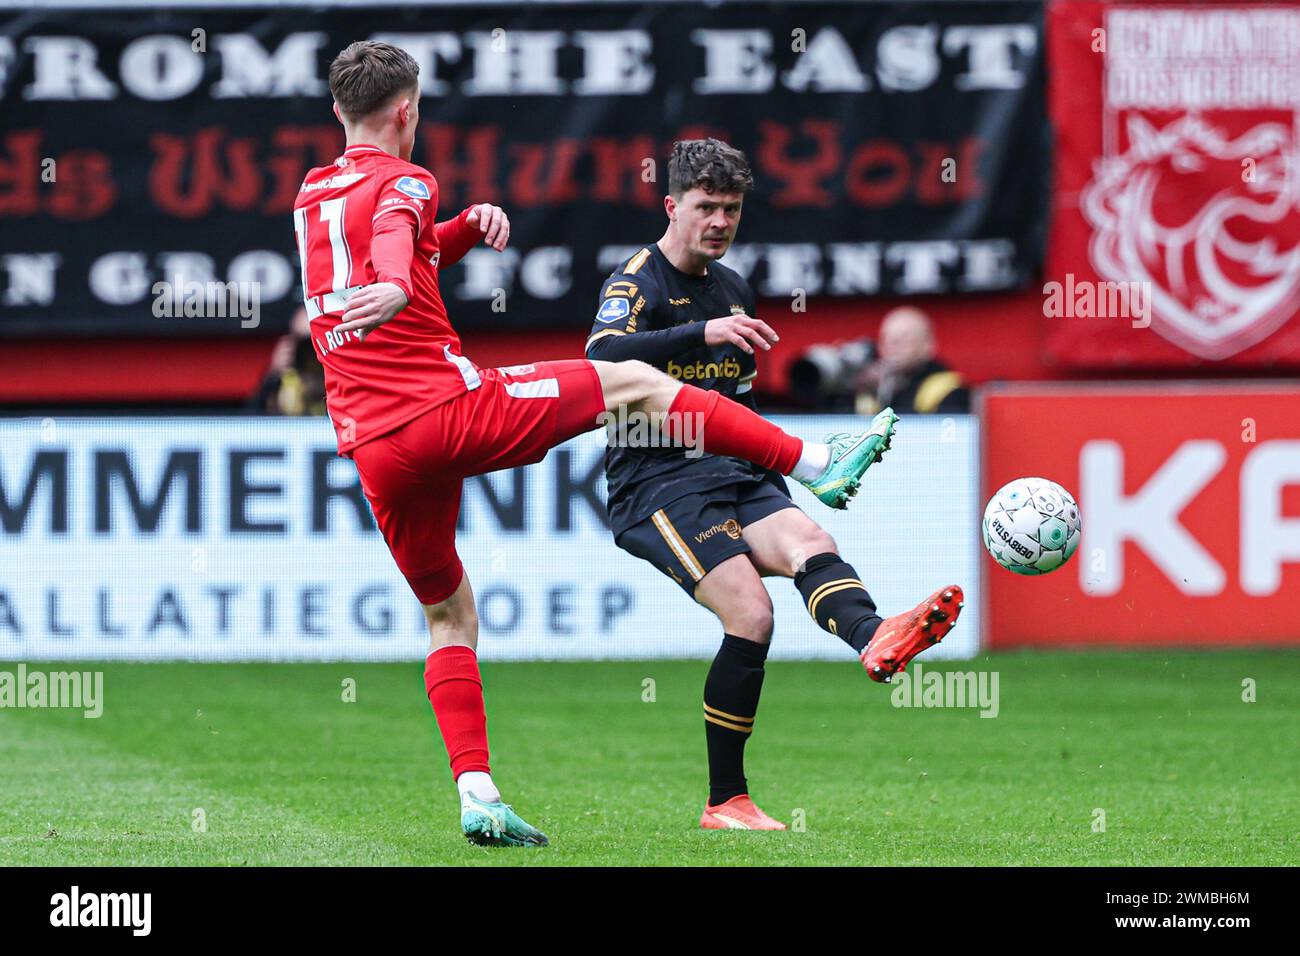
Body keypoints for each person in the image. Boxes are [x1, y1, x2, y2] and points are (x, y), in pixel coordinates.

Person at [296, 41, 907, 848]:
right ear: (407, 110)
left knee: (448, 614)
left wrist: (459, 234)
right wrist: (398, 269)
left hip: (372, 445)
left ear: (338, 111)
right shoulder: (407, 179)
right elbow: (392, 232)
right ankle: (816, 464)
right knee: (633, 383)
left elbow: (390, 239)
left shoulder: (312, 191)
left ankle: (477, 792)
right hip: (444, 410)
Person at [586, 138, 964, 831]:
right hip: (657, 480)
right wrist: (700, 331)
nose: (720, 223)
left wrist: (774, 459)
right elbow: (601, 357)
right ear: (672, 206)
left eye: (731, 209)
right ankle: (724, 800)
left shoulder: (733, 289)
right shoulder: (636, 282)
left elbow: (740, 400)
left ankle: (876, 636)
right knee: (753, 616)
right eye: (705, 208)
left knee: (810, 539)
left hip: (730, 468)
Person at [856, 306, 970, 415]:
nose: (893, 344)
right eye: (886, 337)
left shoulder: (950, 389)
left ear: (927, 345)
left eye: (904, 337)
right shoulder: (870, 387)